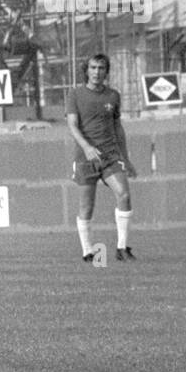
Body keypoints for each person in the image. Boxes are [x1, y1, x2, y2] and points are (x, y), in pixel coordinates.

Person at [66, 53, 137, 262]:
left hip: (110, 156)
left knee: (124, 194)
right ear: (86, 70)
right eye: (93, 68)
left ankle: (122, 248)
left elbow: (118, 127)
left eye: (101, 68)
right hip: (85, 157)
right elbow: (72, 125)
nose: (97, 72)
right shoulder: (75, 95)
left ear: (107, 71)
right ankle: (88, 251)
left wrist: (126, 158)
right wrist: (87, 147)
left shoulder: (113, 96)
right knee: (87, 206)